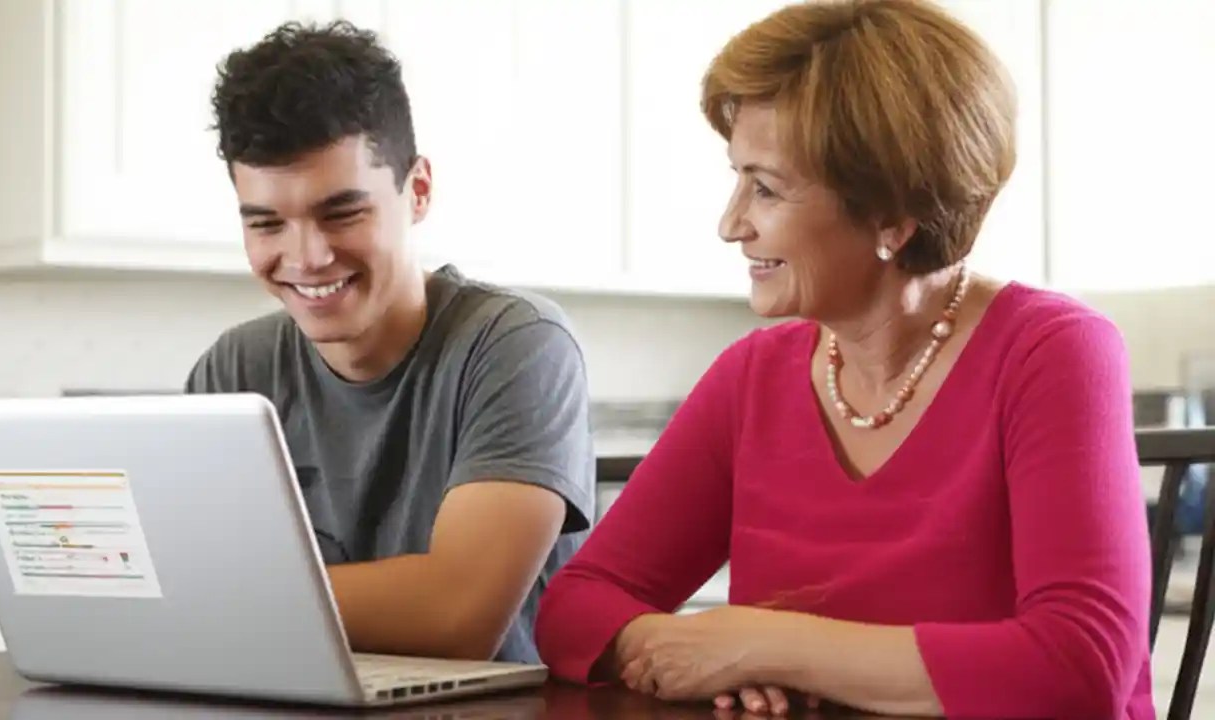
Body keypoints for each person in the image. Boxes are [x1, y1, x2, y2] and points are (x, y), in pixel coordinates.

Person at [534, 1, 1154, 718]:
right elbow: (574, 608)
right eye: (736, 179)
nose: (731, 222)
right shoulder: (752, 377)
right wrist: (681, 650)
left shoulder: (1054, 351)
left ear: (891, 214)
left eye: (765, 188)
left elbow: (1080, 665)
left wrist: (763, 644)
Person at [185, 20, 596, 665]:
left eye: (342, 213)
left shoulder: (517, 346)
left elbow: (458, 615)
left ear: (419, 191)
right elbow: (180, 594)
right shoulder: (234, 370)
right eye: (267, 224)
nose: (307, 256)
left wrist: (223, 600)